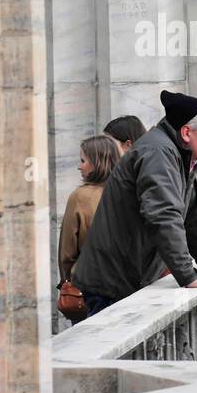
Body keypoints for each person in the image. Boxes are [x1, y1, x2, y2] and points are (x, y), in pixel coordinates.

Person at [73, 90, 197, 316]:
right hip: (111, 285)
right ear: (186, 132)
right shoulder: (158, 153)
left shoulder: (181, 156)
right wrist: (189, 276)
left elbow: (193, 218)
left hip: (127, 279)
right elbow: (164, 216)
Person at [57, 136, 121, 320]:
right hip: (126, 285)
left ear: (97, 162)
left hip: (90, 285)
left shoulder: (80, 197)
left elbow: (67, 252)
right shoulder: (126, 193)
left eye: (83, 160)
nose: (79, 166)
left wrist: (66, 281)